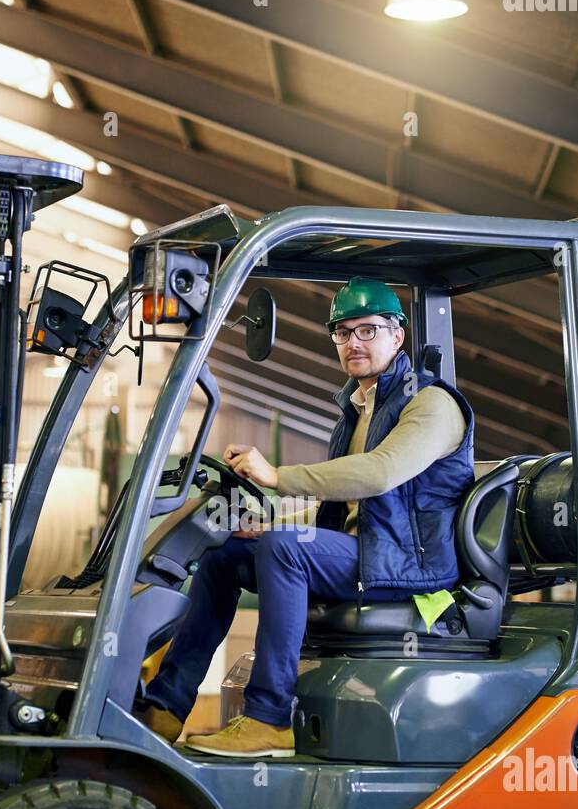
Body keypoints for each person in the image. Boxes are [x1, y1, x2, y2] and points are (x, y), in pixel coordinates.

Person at [135, 276, 475, 758]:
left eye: (368, 330)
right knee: (227, 552)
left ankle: (269, 719)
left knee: (285, 551)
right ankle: (166, 706)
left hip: (409, 567)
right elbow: (341, 508)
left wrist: (277, 476)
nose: (353, 342)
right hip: (365, 553)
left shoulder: (431, 404)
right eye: (343, 332)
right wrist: (268, 525)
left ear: (398, 335)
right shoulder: (359, 410)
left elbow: (379, 475)